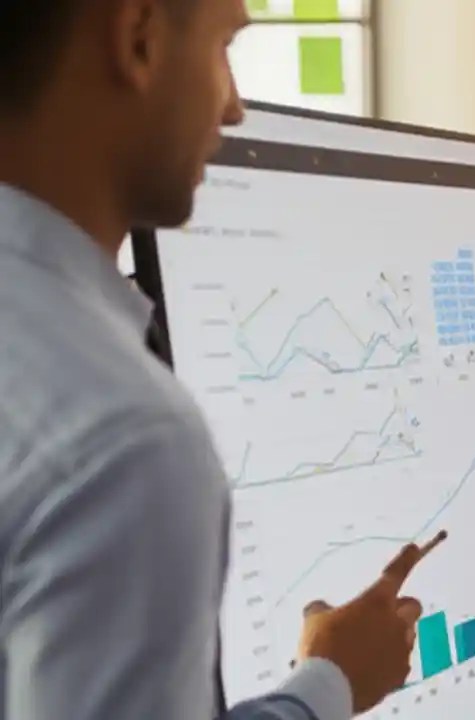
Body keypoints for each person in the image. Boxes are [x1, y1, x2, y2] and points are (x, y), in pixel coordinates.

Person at [0, 1, 435, 718]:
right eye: (224, 44)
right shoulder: (125, 440)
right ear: (138, 37)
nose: (233, 107)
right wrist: (330, 683)